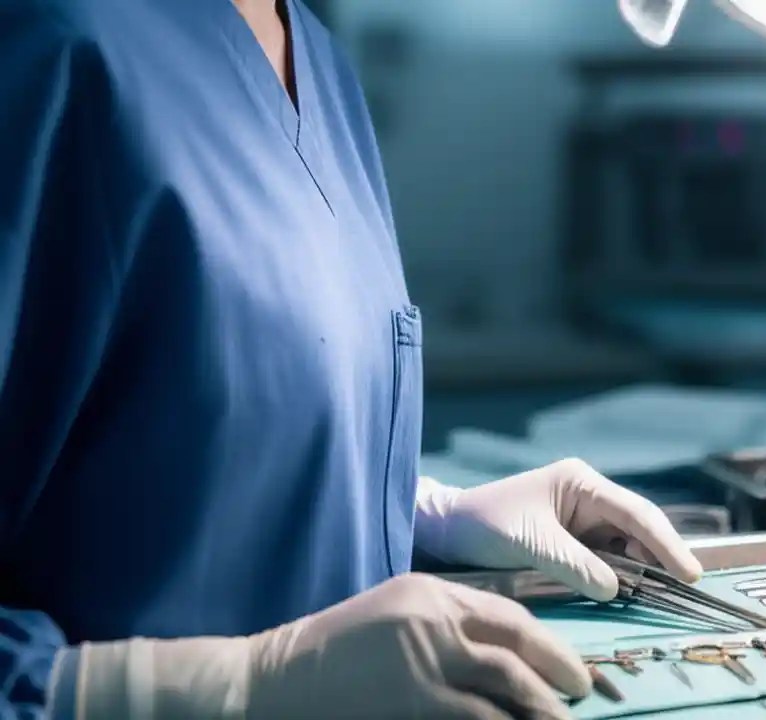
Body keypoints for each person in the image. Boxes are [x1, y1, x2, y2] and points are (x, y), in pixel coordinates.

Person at [0, 0, 702, 717]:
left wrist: (423, 518)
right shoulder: (48, 41)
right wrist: (236, 684)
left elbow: (179, 457)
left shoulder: (322, 67)